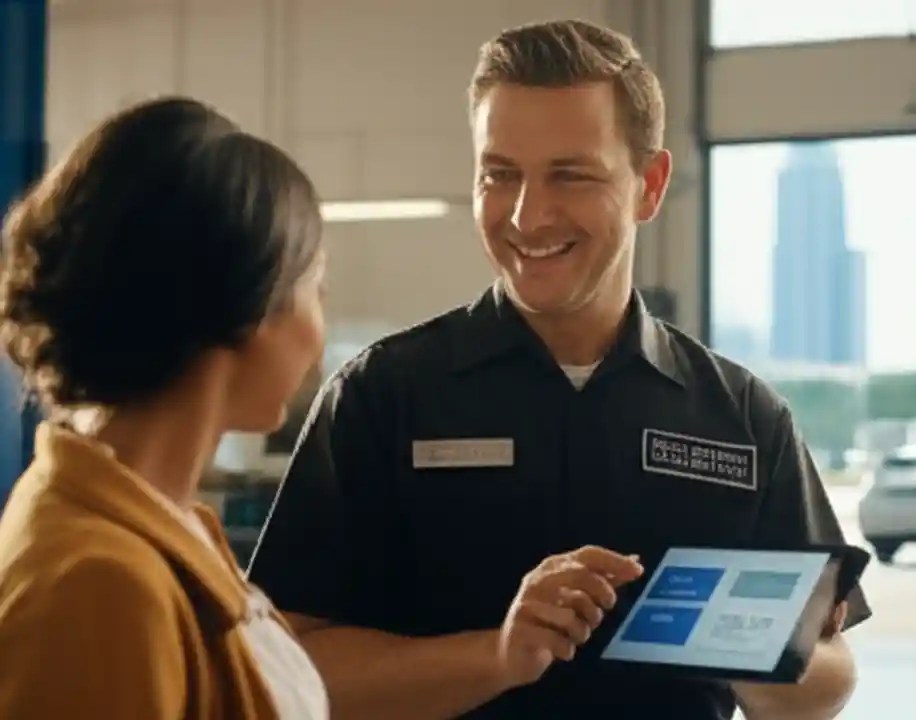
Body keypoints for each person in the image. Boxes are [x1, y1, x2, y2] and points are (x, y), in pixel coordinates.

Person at [249, 18, 870, 720]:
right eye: (500, 175)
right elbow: (284, 669)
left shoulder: (743, 419)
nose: (528, 215)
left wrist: (745, 650)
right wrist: (497, 656)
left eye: (570, 176)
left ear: (649, 186)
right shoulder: (382, 398)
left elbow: (832, 672)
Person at [0, 97, 330, 719]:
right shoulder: (100, 586)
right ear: (248, 305)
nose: (320, 331)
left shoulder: (160, 522)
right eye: (316, 287)